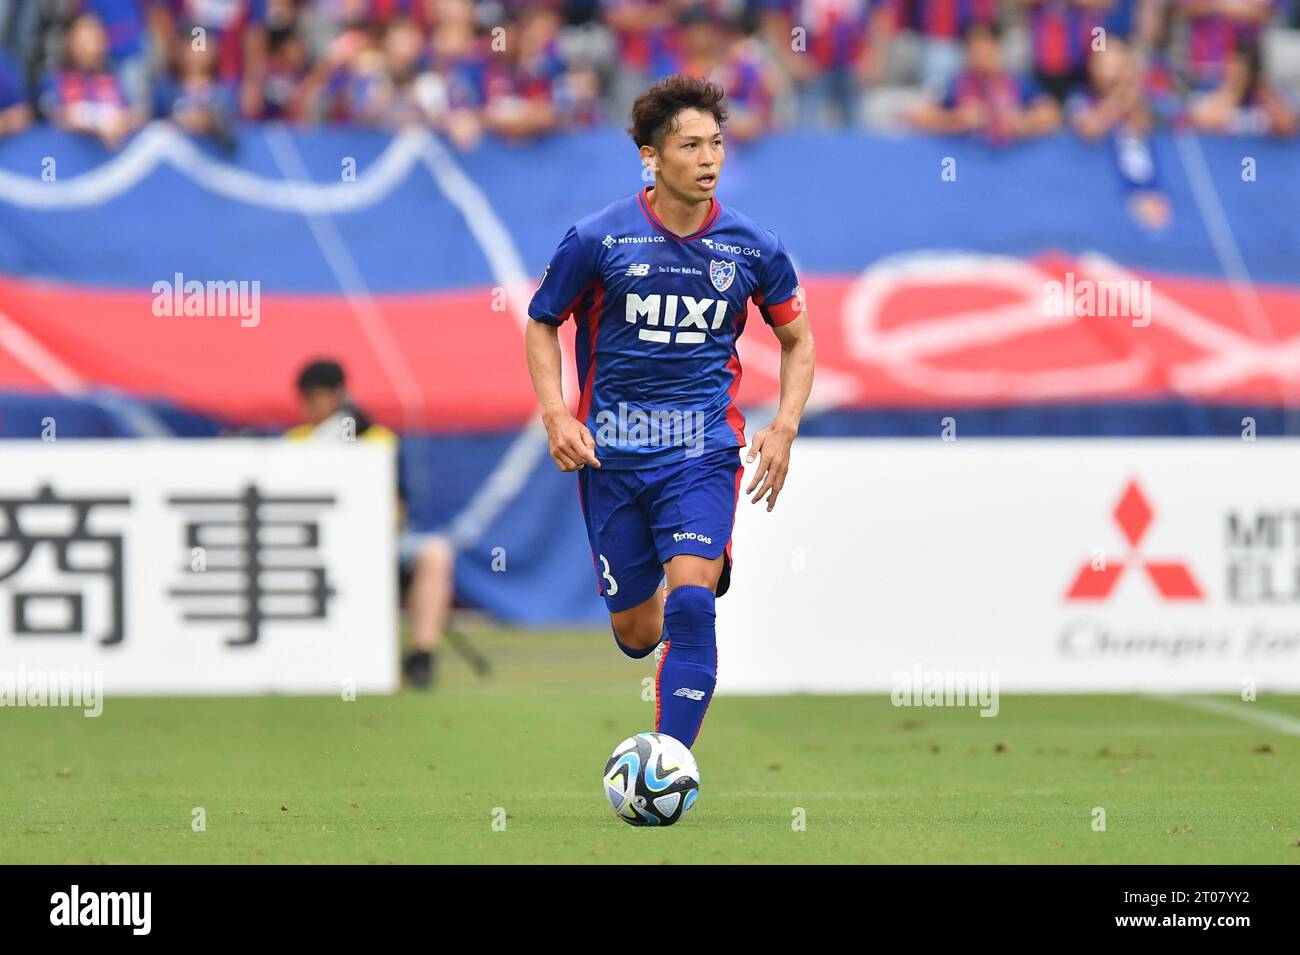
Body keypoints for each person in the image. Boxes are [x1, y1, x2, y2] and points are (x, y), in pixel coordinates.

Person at [524, 74, 816, 750]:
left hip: (702, 449)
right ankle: (666, 631)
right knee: (637, 632)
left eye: (716, 143)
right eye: (691, 145)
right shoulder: (598, 240)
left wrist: (785, 425)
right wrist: (555, 415)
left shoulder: (753, 247)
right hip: (613, 454)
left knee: (691, 600)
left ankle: (670, 761)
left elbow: (799, 340)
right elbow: (542, 322)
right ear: (651, 157)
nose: (709, 158)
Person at [286, 360, 456, 689]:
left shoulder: (378, 440)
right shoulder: (297, 442)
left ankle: (422, 654)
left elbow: (399, 503)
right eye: (305, 399)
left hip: (377, 542)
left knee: (435, 554)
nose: (310, 407)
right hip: (317, 546)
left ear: (336, 395)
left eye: (316, 397)